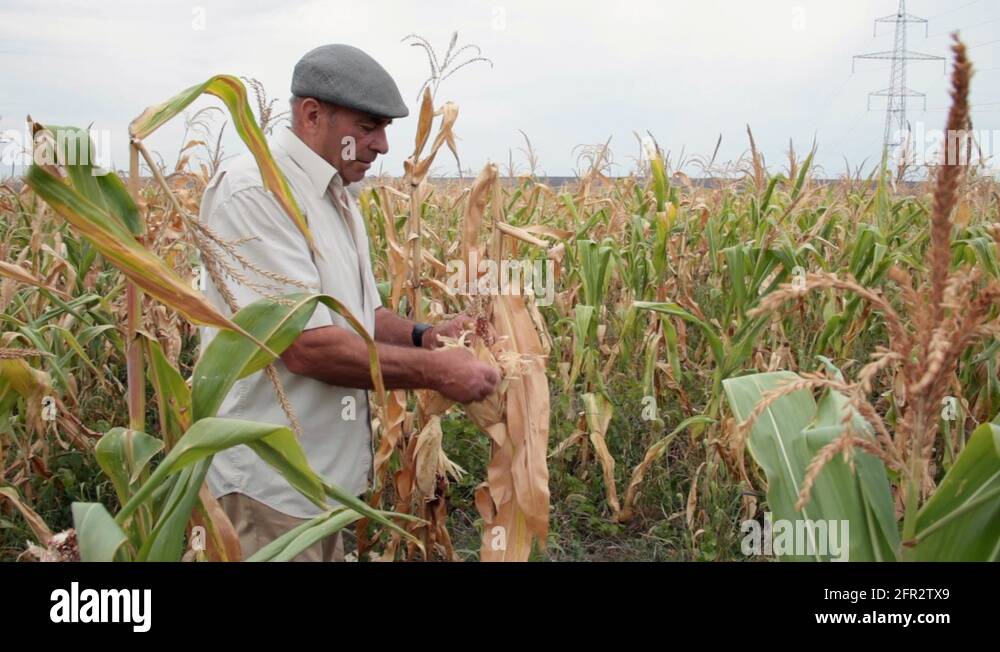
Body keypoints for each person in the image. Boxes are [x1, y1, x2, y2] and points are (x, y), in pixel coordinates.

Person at [198, 44, 499, 561]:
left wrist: (430, 335)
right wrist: (435, 371)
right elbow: (308, 347)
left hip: (321, 484)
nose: (382, 145)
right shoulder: (256, 194)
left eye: (384, 128)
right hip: (268, 488)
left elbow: (362, 319)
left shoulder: (337, 194)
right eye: (368, 127)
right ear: (312, 114)